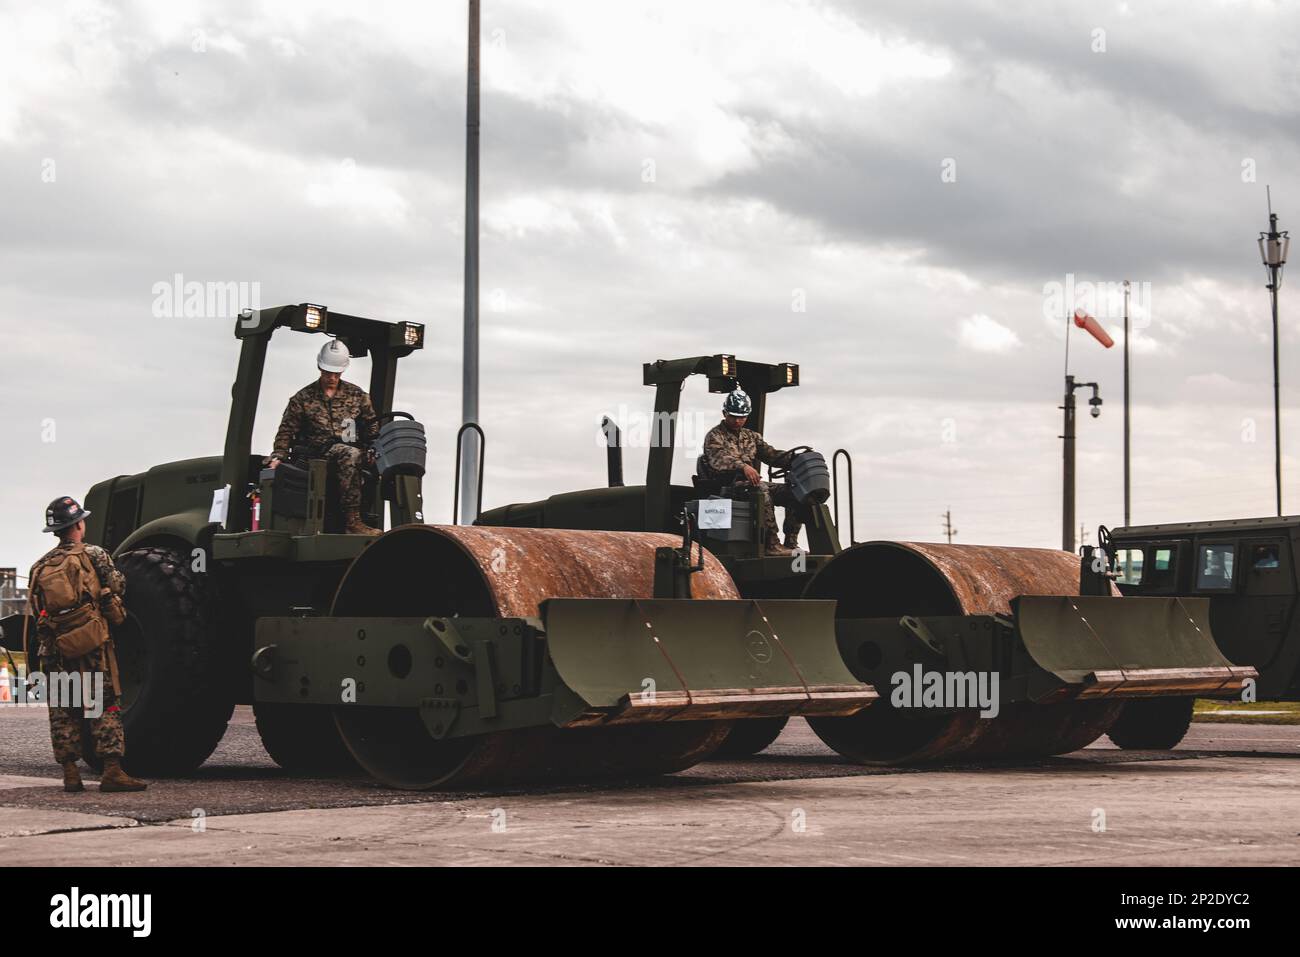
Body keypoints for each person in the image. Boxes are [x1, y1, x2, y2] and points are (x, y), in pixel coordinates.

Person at [28, 496, 147, 793]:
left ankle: (70, 773)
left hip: (54, 648)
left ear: (55, 530)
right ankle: (112, 771)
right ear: (79, 524)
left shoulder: (39, 566)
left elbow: (36, 610)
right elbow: (118, 585)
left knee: (63, 708)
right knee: (102, 703)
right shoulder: (94, 554)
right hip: (91, 645)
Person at [268, 339, 381, 536]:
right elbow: (286, 430)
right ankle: (352, 522)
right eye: (328, 372)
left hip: (352, 451)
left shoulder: (357, 395)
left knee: (378, 460)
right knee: (350, 454)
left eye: (336, 373)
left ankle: (371, 515)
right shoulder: (303, 398)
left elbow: (371, 426)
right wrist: (278, 455)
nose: (332, 377)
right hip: (318, 455)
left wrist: (374, 448)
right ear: (320, 367)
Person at [699, 388, 811, 555]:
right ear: (724, 413)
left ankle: (791, 542)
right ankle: (772, 544)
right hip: (728, 487)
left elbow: (772, 455)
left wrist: (797, 459)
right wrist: (743, 466)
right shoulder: (715, 436)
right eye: (734, 416)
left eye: (742, 417)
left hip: (749, 483)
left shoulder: (751, 437)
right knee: (761, 489)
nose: (738, 421)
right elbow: (719, 460)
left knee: (795, 491)